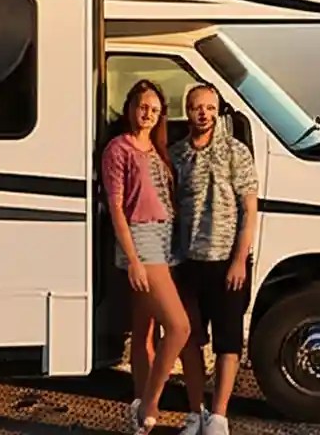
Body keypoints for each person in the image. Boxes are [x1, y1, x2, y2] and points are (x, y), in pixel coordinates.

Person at [100, 79, 191, 435]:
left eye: (155, 109)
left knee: (144, 331)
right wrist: (134, 259)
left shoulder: (156, 149)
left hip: (166, 241)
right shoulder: (118, 149)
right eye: (143, 107)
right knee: (179, 326)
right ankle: (152, 404)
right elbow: (116, 207)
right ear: (130, 109)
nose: (148, 114)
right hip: (141, 240)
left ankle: (139, 409)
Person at [170, 82, 260, 435]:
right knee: (189, 340)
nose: (203, 113)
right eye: (197, 107)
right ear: (188, 111)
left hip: (227, 263)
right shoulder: (176, 155)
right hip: (188, 261)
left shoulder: (237, 152)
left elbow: (249, 210)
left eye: (210, 107)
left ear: (218, 111)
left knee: (228, 340)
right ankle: (195, 413)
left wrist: (240, 259)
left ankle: (218, 417)